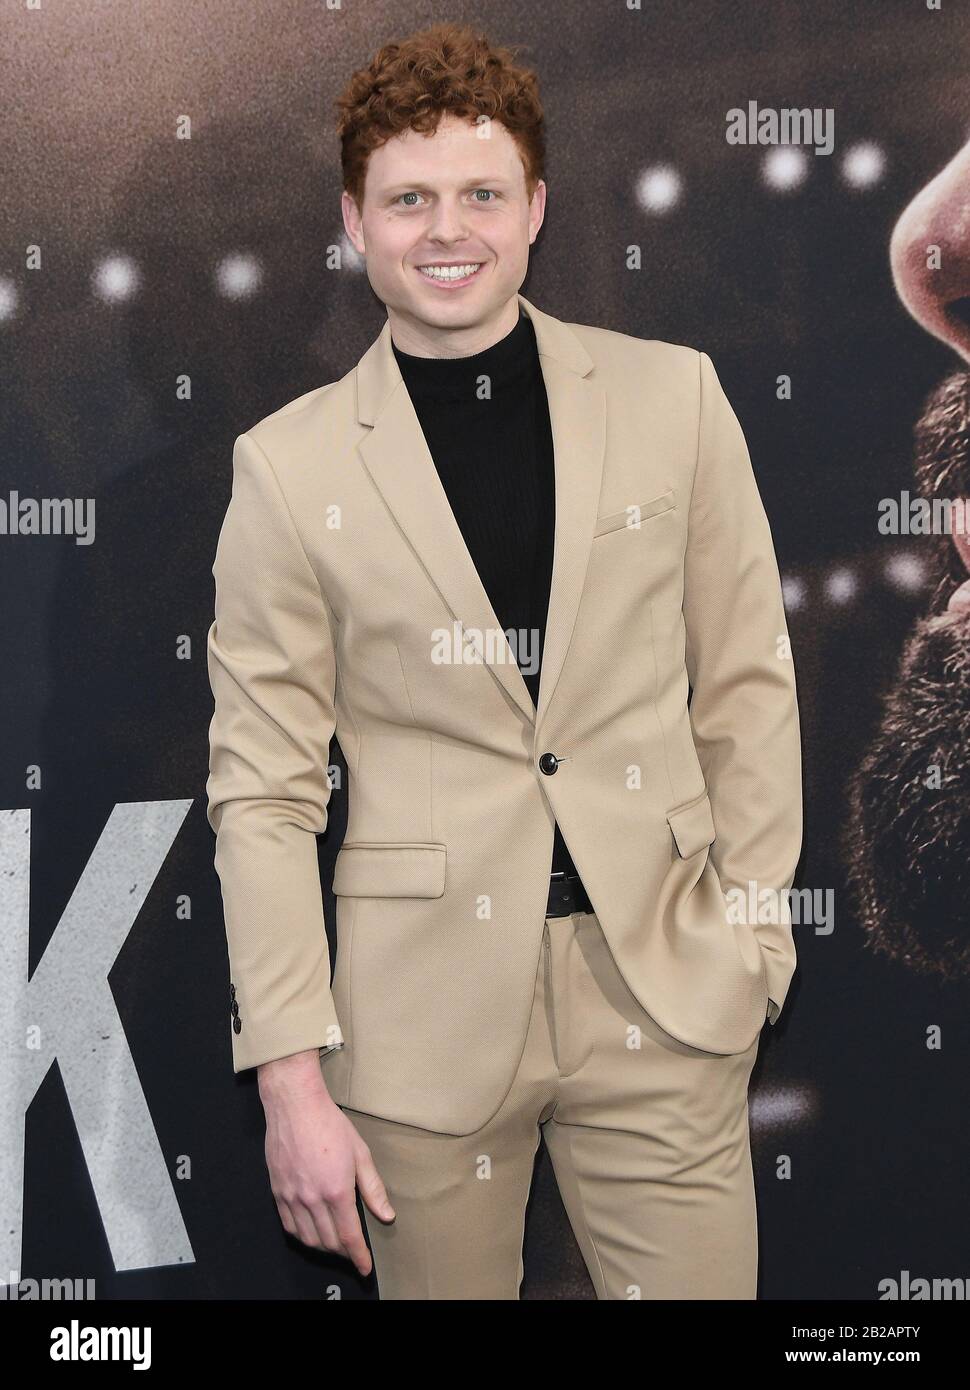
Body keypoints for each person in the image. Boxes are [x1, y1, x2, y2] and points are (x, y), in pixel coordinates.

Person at [205, 21, 803, 1300]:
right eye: (407, 198)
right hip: (414, 1031)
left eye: (481, 193)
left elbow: (747, 684)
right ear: (353, 223)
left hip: (664, 990)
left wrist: (754, 940)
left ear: (534, 208)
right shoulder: (288, 466)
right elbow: (261, 790)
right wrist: (292, 1079)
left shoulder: (673, 398)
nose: (446, 229)